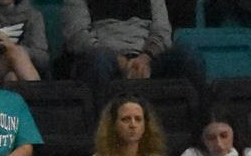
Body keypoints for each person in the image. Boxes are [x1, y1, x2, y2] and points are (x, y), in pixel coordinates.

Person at [61, 0, 190, 90]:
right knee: (99, 60)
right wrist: (120, 61)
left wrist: (145, 58)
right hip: (104, 57)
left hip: (146, 57)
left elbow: (162, 32)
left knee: (185, 57)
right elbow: (77, 36)